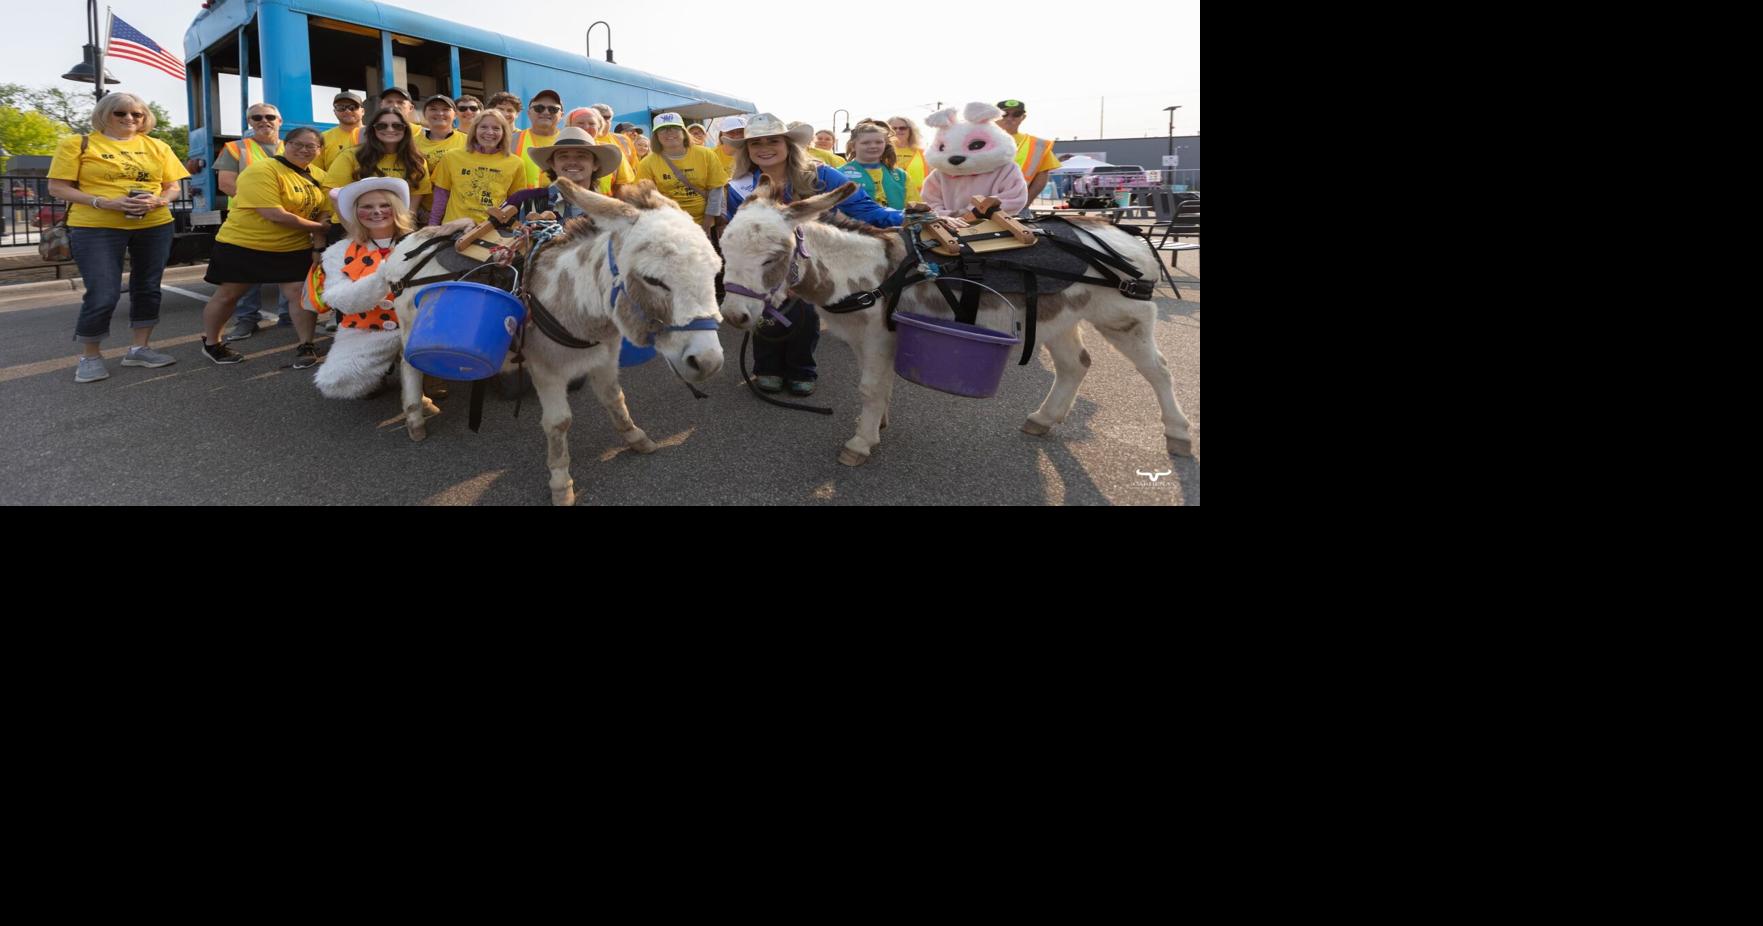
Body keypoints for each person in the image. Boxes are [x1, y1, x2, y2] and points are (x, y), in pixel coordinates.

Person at [724, 114, 901, 396]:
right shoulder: (739, 186)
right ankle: (766, 368)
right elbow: (740, 228)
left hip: (814, 262)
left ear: (788, 144)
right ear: (747, 149)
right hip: (766, 264)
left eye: (773, 140)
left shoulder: (822, 174)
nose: (764, 147)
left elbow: (866, 209)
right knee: (764, 314)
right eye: (756, 143)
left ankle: (802, 369)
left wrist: (910, 216)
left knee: (806, 317)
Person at [45, 92, 190, 383]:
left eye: (137, 114)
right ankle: (90, 356)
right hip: (96, 225)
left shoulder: (157, 146)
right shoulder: (78, 144)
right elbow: (57, 188)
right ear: (104, 115)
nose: (129, 119)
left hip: (153, 223)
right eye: (120, 113)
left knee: (147, 286)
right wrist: (105, 202)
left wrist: (159, 200)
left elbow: (172, 187)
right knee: (103, 292)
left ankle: (139, 348)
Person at [198, 126, 331, 368]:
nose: (304, 150)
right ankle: (212, 343)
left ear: (319, 150)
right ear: (285, 145)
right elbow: (273, 213)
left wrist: (318, 247)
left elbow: (324, 212)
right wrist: (319, 228)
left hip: (292, 246)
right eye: (297, 144)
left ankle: (306, 344)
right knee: (229, 294)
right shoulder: (262, 170)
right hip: (245, 244)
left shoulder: (320, 176)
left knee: (299, 295)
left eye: (311, 146)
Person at [309, 178, 442, 399]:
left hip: (419, 326)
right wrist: (382, 276)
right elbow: (338, 299)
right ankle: (382, 368)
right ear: (355, 212)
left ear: (397, 208)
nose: (377, 212)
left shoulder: (420, 243)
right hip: (369, 327)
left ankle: (431, 373)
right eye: (367, 207)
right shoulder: (339, 251)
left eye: (384, 205)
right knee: (335, 382)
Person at [216, 103, 290, 340]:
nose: (263, 121)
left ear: (280, 121)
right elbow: (226, 183)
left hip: (286, 219)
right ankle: (247, 320)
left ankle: (289, 317)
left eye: (270, 117)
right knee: (249, 275)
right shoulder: (236, 148)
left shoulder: (292, 147)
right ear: (249, 122)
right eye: (256, 117)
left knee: (289, 271)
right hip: (248, 222)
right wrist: (264, 204)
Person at [635, 112, 727, 236]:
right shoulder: (647, 163)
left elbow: (716, 191)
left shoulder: (706, 154)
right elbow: (644, 197)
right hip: (669, 225)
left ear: (683, 132)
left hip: (706, 223)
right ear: (656, 136)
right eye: (662, 130)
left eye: (675, 128)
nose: (669, 133)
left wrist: (706, 225)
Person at [429, 109, 525, 225]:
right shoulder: (452, 157)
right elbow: (441, 196)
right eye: (483, 127)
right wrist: (432, 226)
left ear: (504, 132)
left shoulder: (516, 163)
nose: (489, 132)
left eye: (496, 128)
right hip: (454, 229)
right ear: (474, 130)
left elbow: (514, 203)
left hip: (492, 231)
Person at [518, 127, 624, 220]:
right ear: (552, 164)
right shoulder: (524, 200)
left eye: (581, 156)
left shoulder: (611, 210)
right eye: (563, 156)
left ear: (595, 164)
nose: (572, 162)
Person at [997, 99, 1059, 209]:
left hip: (1017, 206)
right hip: (979, 205)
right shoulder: (977, 140)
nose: (1010, 118)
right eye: (1004, 114)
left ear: (1023, 117)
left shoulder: (1038, 145)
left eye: (1016, 114)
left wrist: (1025, 203)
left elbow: (1042, 175)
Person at [412, 95, 465, 222]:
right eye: (433, 109)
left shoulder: (467, 141)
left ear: (455, 114)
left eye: (446, 109)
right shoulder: (412, 143)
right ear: (425, 114)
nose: (440, 113)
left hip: (457, 212)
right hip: (423, 212)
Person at [839, 122, 907, 209]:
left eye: (879, 142)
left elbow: (915, 208)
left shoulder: (901, 175)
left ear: (885, 144)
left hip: (898, 222)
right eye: (865, 143)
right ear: (853, 146)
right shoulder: (840, 174)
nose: (873, 146)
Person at [512, 89, 566, 189]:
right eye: (539, 108)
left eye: (553, 109)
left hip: (561, 203)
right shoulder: (512, 140)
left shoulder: (568, 140)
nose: (546, 112)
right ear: (529, 113)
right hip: (521, 203)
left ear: (561, 115)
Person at [315, 91, 364, 173]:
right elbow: (316, 171)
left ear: (362, 111)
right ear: (334, 112)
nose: (347, 111)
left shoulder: (376, 134)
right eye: (341, 108)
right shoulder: (322, 138)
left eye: (353, 107)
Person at [887, 115, 929, 204]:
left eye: (902, 128)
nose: (897, 131)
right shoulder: (880, 153)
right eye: (893, 128)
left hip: (918, 203)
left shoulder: (923, 153)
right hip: (889, 202)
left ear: (910, 130)